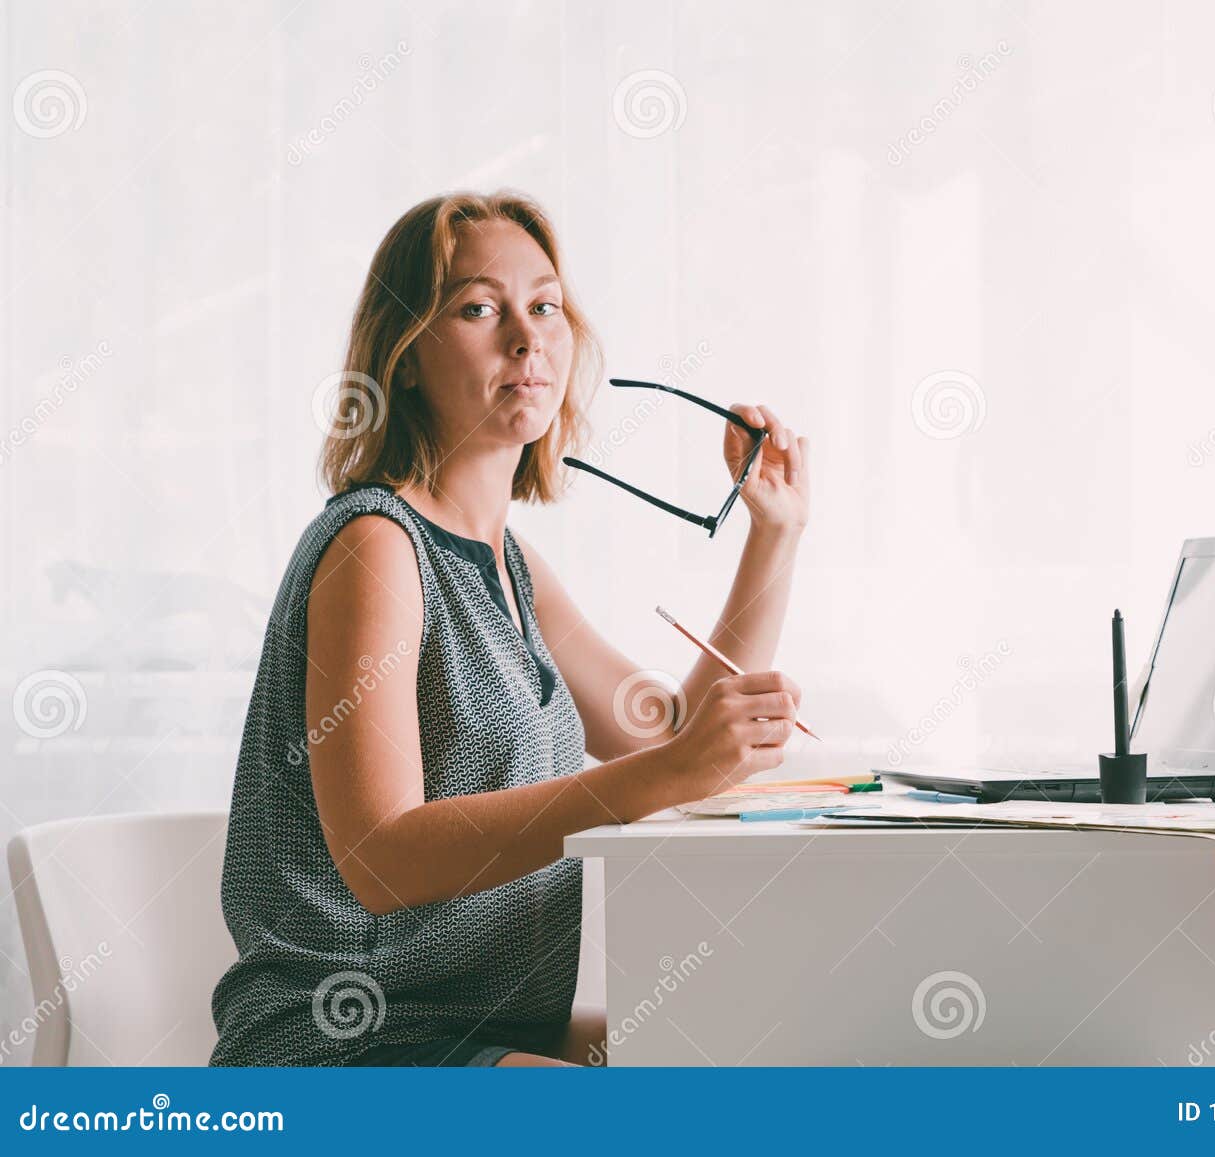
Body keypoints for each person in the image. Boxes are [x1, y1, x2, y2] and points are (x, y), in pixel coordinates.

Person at [209, 190, 810, 1067]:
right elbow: (382, 858)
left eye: (545, 307)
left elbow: (670, 735)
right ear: (405, 357)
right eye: (479, 308)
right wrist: (673, 767)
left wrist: (776, 532)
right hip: (346, 1045)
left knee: (757, 1054)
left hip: (490, 1033)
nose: (527, 338)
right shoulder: (376, 547)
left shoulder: (511, 565)